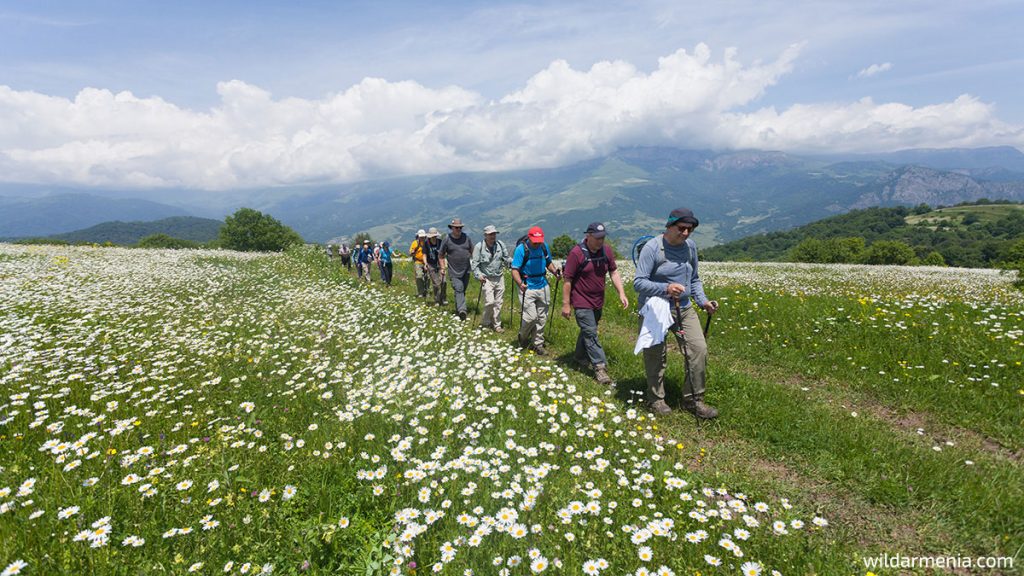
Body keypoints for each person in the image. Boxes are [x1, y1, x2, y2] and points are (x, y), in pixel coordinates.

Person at [633, 207, 718, 418]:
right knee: (655, 355)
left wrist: (703, 301)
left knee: (698, 349)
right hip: (655, 308)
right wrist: (665, 288)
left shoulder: (690, 247)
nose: (686, 233)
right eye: (681, 228)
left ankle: (693, 400)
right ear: (669, 226)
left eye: (690, 229)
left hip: (685, 307)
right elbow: (639, 282)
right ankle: (656, 399)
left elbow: (694, 279)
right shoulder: (652, 248)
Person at [561, 222, 629, 385]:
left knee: (588, 330)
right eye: (597, 238)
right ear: (588, 236)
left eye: (603, 237)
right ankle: (600, 367)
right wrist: (566, 304)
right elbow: (567, 280)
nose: (600, 241)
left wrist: (621, 292)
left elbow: (613, 271)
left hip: (598, 301)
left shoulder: (606, 251)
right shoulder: (576, 253)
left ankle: (578, 356)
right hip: (581, 300)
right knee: (591, 332)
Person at [511, 226, 560, 355]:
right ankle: (523, 336)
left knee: (542, 317)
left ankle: (537, 344)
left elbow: (548, 262)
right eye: (535, 241)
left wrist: (555, 272)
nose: (537, 243)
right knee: (531, 317)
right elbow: (515, 269)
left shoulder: (544, 247)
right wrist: (520, 283)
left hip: (543, 285)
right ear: (529, 238)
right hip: (527, 286)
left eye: (539, 240)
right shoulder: (521, 249)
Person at [470, 224, 510, 332]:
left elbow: (506, 258)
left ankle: (497, 325)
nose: (493, 236)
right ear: (485, 235)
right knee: (489, 302)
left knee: (498, 302)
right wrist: (479, 275)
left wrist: (516, 264)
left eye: (494, 234)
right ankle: (485, 323)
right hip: (486, 278)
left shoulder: (500, 245)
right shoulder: (479, 247)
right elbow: (475, 264)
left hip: (499, 277)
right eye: (490, 234)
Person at [439, 218, 474, 320]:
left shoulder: (466, 238)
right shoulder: (447, 239)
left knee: (462, 290)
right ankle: (462, 310)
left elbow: (473, 251)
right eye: (456, 228)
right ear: (452, 228)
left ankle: (458, 307)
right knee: (459, 288)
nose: (458, 229)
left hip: (466, 269)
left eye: (460, 228)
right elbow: (441, 255)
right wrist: (442, 267)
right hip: (453, 270)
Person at [423, 228, 447, 306]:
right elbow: (424, 254)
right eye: (432, 236)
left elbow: (444, 253)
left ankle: (443, 298)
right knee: (436, 283)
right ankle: (437, 300)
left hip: (440, 264)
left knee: (444, 281)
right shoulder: (426, 243)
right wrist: (425, 263)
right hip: (431, 264)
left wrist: (444, 263)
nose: (433, 238)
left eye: (434, 236)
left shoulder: (440, 242)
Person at [409, 230, 429, 298]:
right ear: (418, 236)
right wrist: (412, 252)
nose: (422, 238)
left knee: (428, 277)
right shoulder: (415, 243)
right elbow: (410, 252)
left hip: (427, 262)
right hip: (418, 262)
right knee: (419, 276)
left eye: (423, 237)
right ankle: (420, 292)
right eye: (421, 237)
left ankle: (426, 291)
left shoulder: (427, 242)